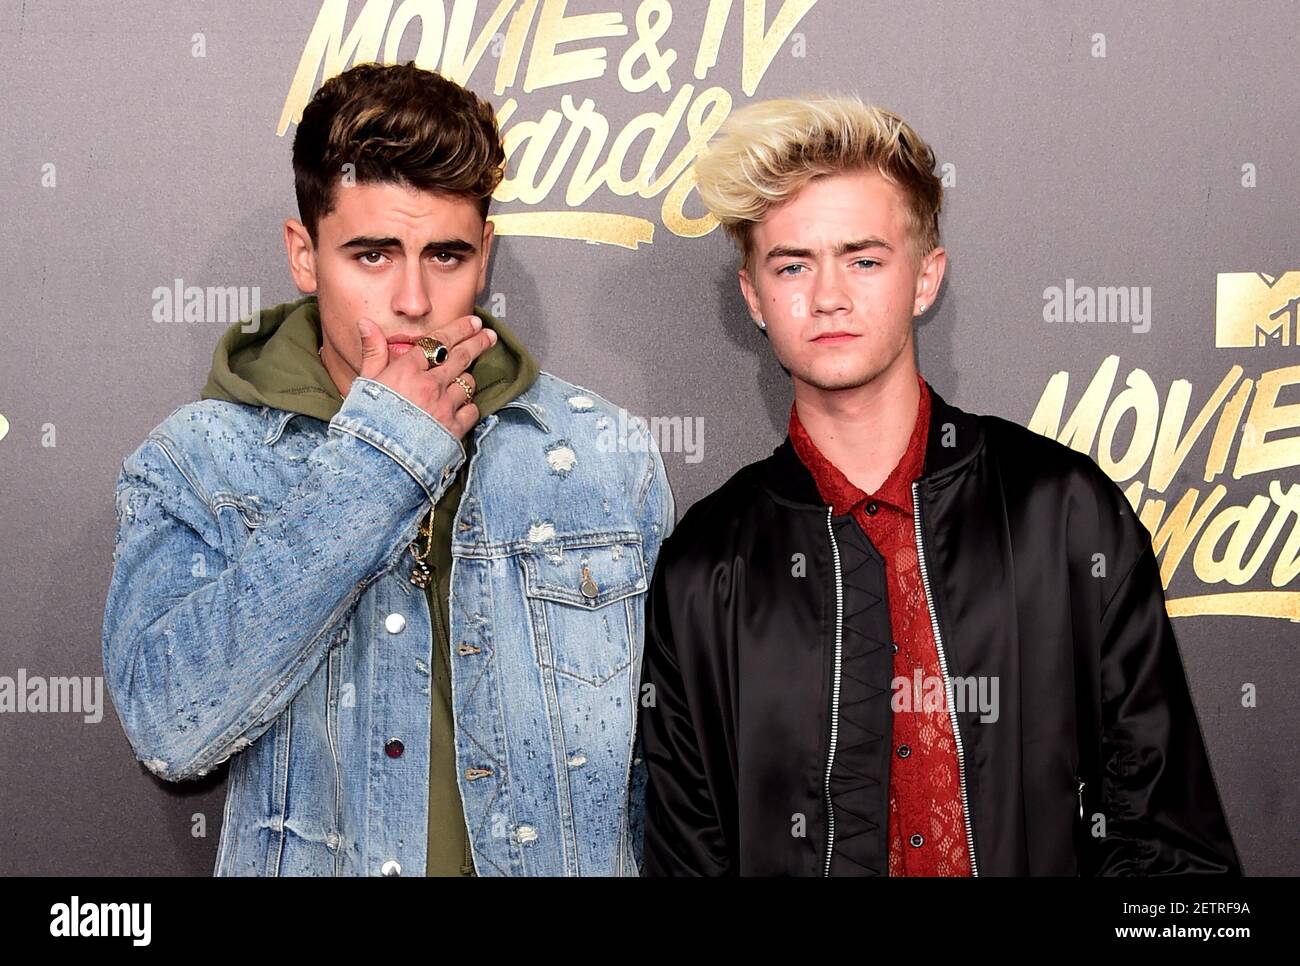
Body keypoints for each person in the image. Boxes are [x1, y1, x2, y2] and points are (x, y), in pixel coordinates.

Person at [638, 95, 1240, 876]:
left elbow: (1170, 844)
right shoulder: (705, 565)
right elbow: (691, 859)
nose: (827, 296)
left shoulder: (1061, 512)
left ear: (925, 279)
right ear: (754, 297)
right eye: (792, 264)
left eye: (863, 259)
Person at [102, 61, 672, 877]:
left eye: (445, 255)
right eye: (372, 255)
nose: (412, 299)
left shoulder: (600, 455)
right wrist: (381, 463)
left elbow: (661, 782)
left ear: (486, 254)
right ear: (304, 255)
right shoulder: (198, 461)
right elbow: (170, 732)